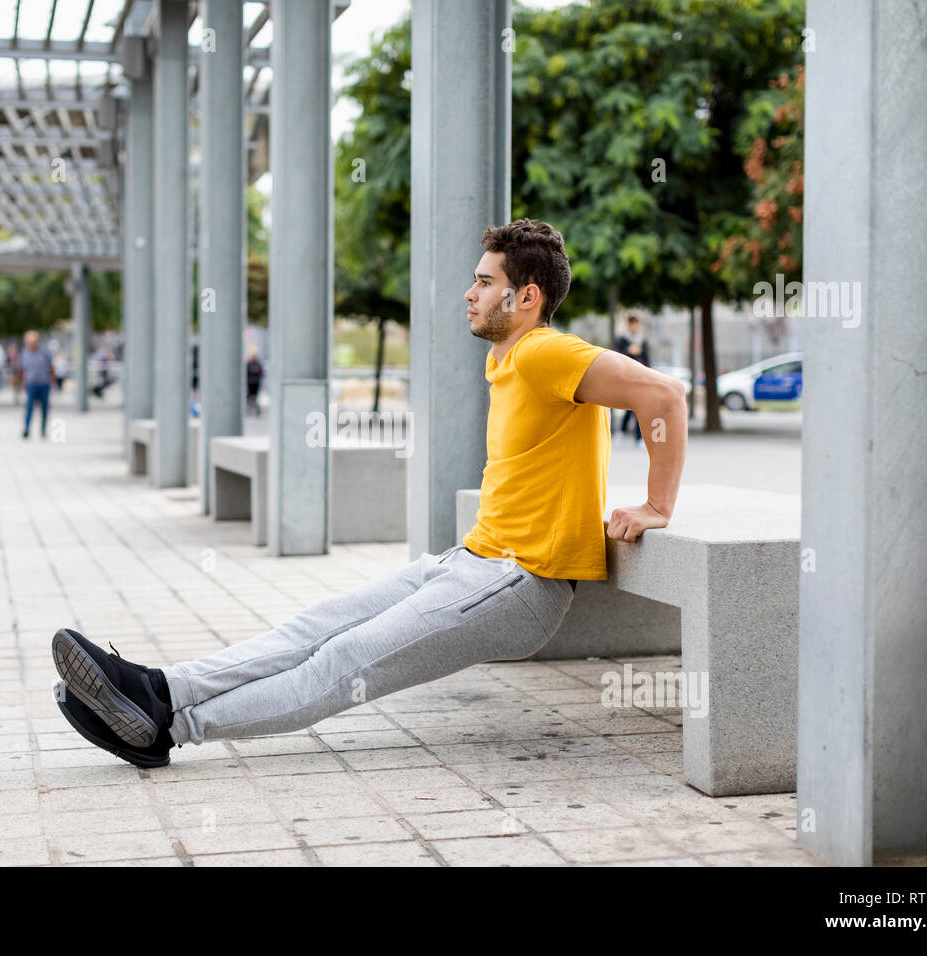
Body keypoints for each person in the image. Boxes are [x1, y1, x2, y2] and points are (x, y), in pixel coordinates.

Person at [49, 218, 689, 768]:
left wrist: (658, 506)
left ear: (526, 296)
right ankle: (159, 688)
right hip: (471, 561)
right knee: (313, 627)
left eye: (484, 282)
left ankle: (163, 728)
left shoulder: (548, 351)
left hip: (523, 583)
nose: (468, 294)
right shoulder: (505, 359)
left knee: (345, 661)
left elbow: (663, 395)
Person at [614, 313, 653, 443]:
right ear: (629, 325)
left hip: (640, 377)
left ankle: (638, 437)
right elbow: (617, 356)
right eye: (633, 324)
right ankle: (622, 432)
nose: (635, 327)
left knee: (638, 408)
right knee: (629, 408)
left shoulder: (642, 340)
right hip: (626, 376)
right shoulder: (622, 339)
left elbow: (647, 359)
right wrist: (630, 351)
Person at [19, 330, 54, 439]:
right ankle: (27, 429)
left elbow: (51, 367)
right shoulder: (24, 353)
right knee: (29, 408)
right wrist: (22, 383)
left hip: (44, 384)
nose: (31, 345)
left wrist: (53, 380)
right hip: (31, 384)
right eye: (29, 342)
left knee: (44, 408)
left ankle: (43, 430)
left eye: (33, 342)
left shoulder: (44, 352)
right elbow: (23, 370)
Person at [245, 352, 263, 417]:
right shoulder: (258, 364)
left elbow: (246, 374)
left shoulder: (249, 364)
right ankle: (256, 411)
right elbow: (261, 373)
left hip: (250, 383)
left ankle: (249, 410)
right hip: (256, 382)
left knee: (249, 397)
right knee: (254, 397)